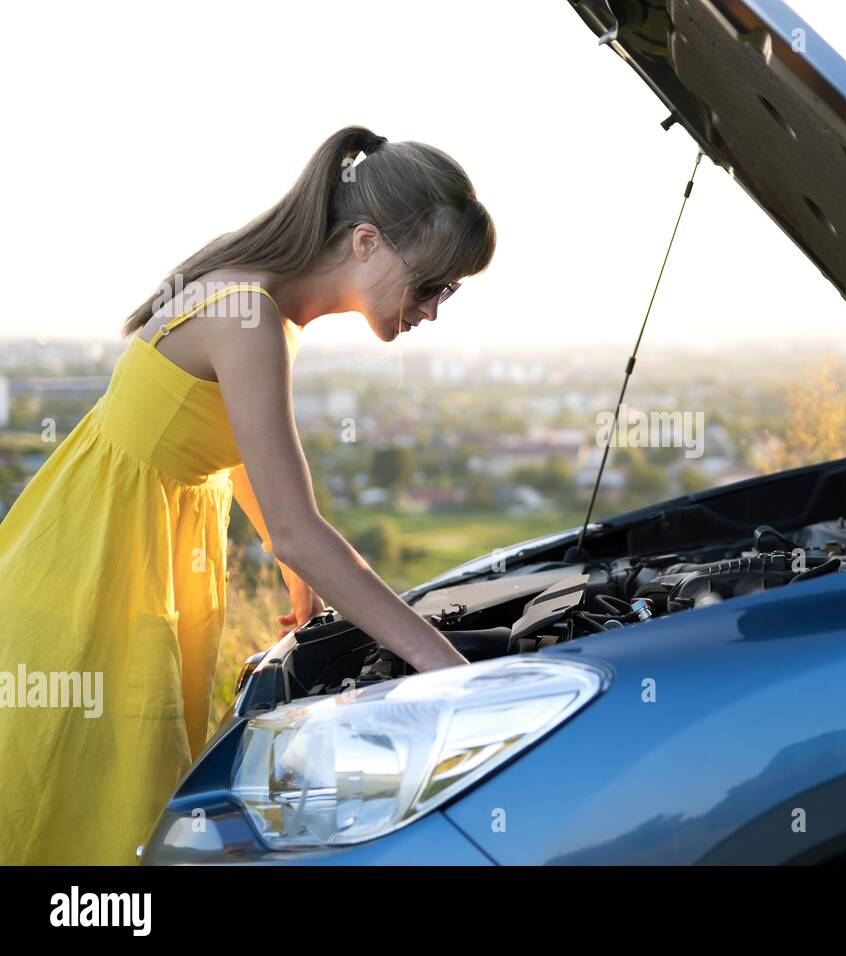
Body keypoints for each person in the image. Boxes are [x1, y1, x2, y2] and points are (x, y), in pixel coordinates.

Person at [0, 125, 495, 864]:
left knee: (97, 803)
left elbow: (227, 451)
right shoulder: (251, 313)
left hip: (117, 551)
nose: (431, 311)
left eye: (447, 293)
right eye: (430, 286)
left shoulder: (260, 297)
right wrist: (451, 672)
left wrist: (299, 580)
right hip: (97, 574)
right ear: (366, 243)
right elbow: (298, 528)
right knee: (91, 809)